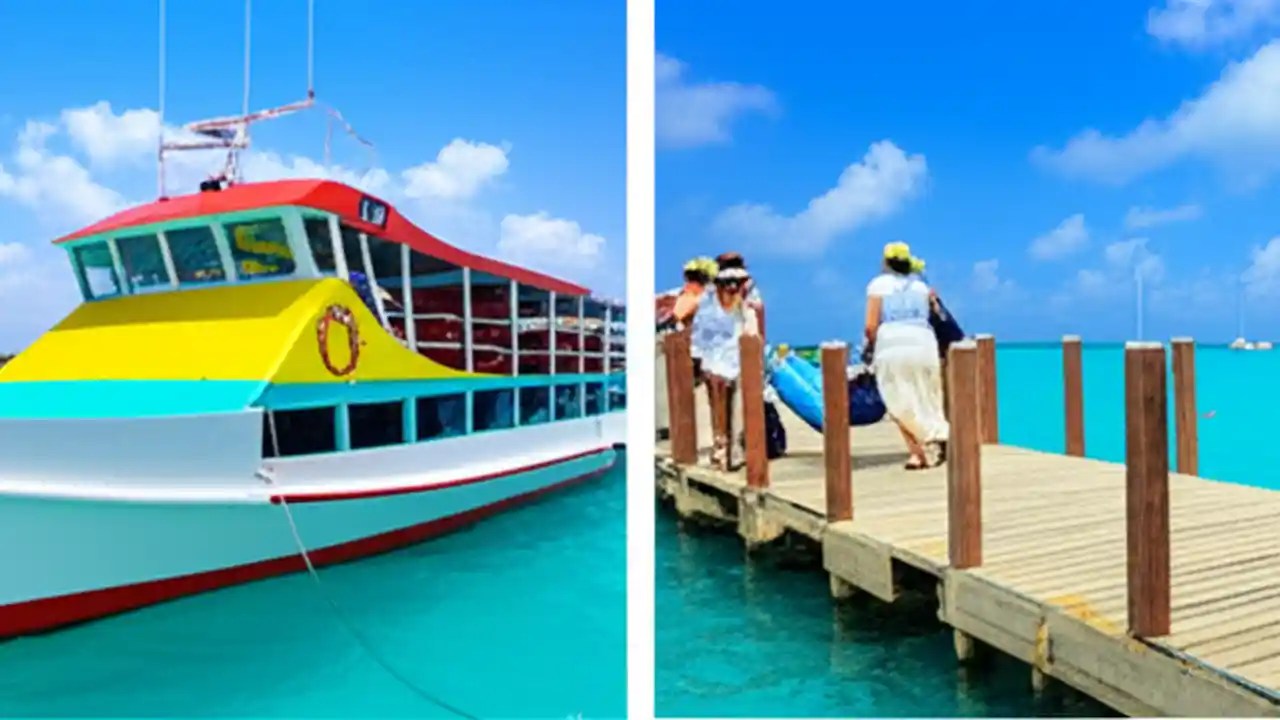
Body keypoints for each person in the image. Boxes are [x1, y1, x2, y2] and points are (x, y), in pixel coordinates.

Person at [864, 242, 949, 469]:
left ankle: (919, 450)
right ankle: (935, 437)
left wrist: (871, 346)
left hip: (891, 344)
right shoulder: (921, 287)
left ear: (885, 262)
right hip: (923, 342)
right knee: (928, 396)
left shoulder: (877, 285)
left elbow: (871, 325)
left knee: (897, 398)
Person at [691, 264, 757, 469]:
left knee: (738, 412)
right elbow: (699, 337)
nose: (731, 287)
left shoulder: (747, 308)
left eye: (736, 283)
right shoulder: (708, 308)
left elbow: (753, 334)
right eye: (726, 283)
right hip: (715, 366)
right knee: (718, 412)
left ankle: (734, 452)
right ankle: (720, 449)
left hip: (740, 364)